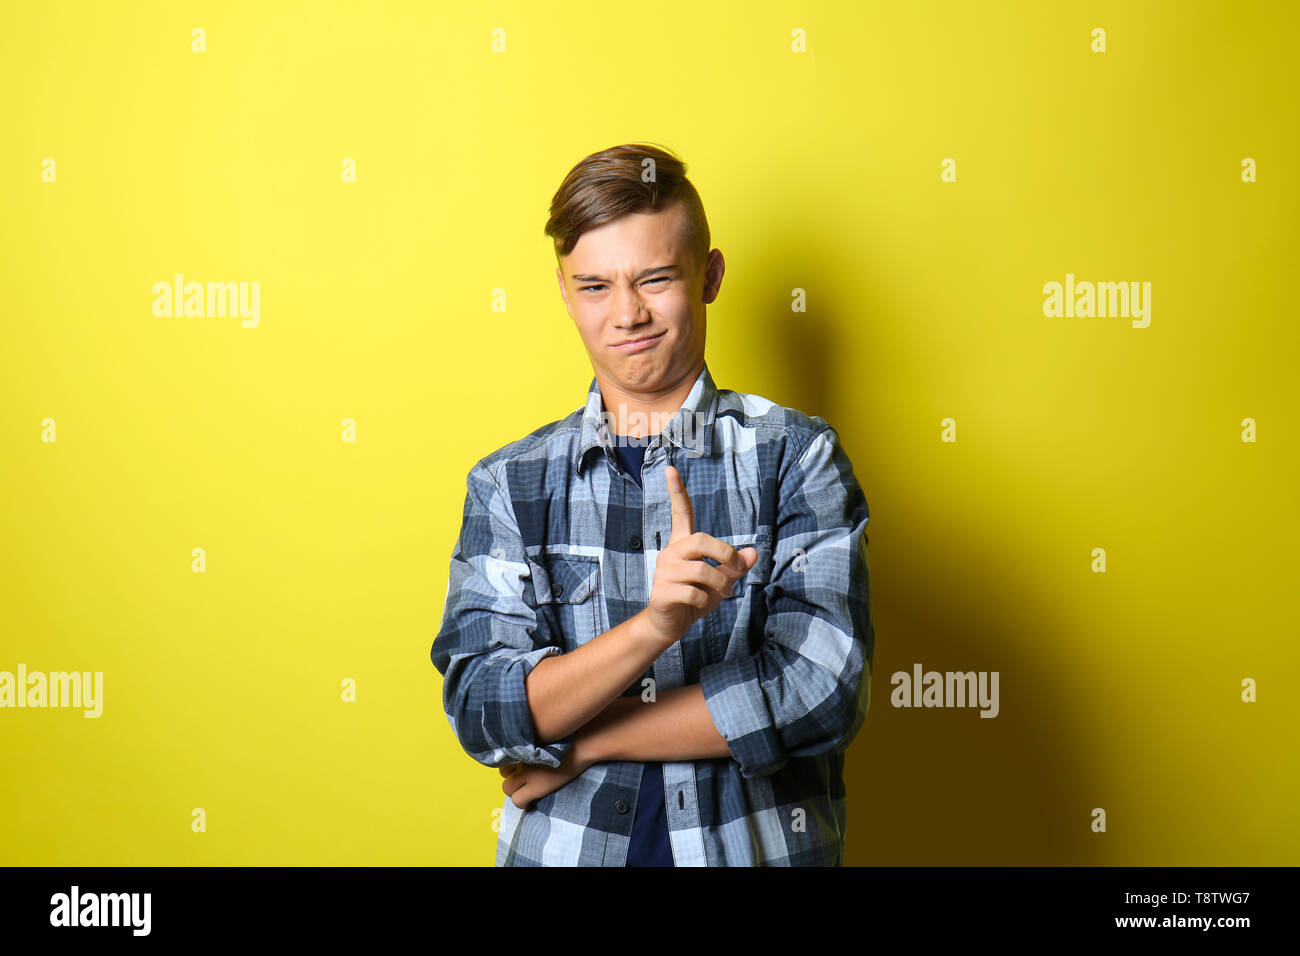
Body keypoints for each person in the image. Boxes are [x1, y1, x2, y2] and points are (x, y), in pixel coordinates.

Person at [430, 143, 874, 866]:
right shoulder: (508, 482)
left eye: (656, 279)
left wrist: (589, 740)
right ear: (565, 293)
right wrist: (654, 628)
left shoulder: (797, 455)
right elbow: (487, 710)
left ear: (710, 276)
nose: (628, 314)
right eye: (595, 286)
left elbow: (821, 690)